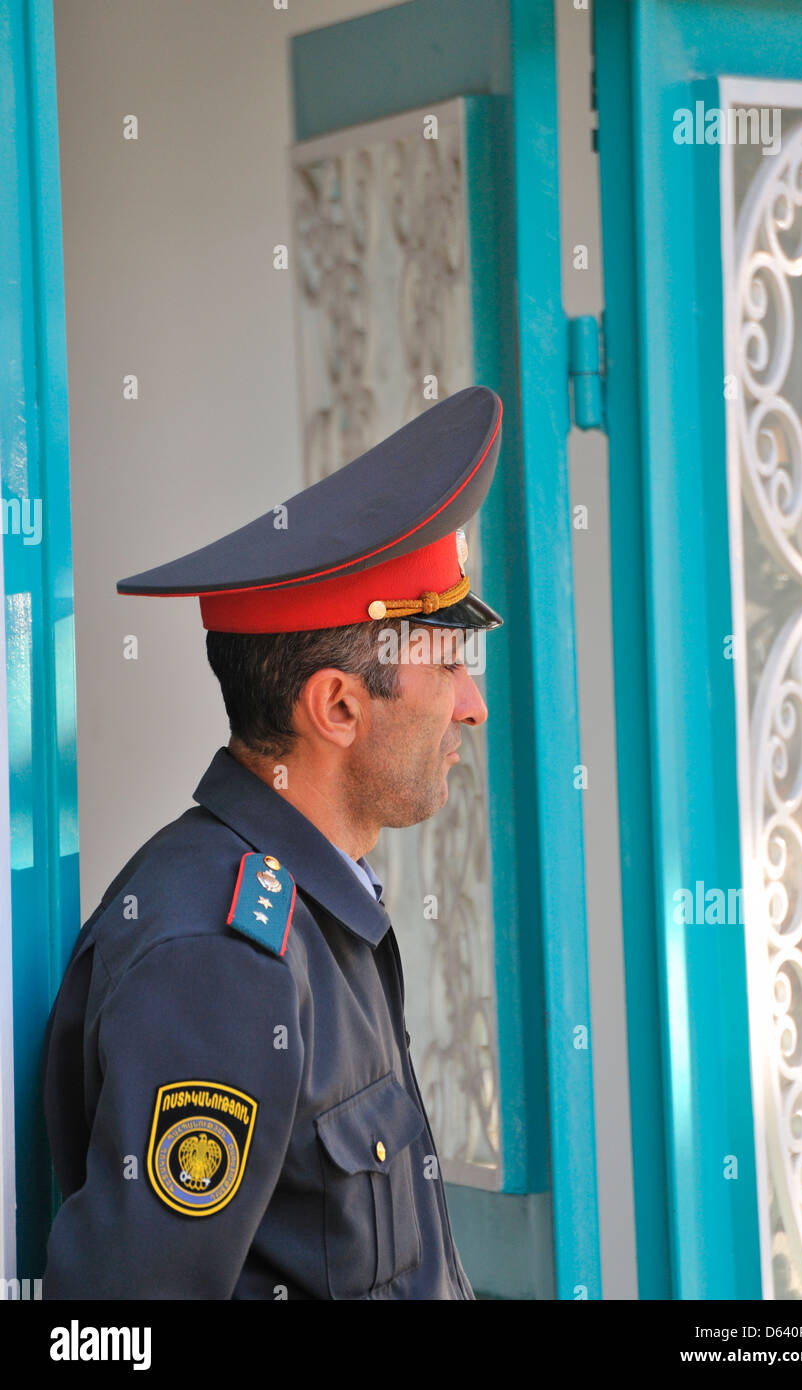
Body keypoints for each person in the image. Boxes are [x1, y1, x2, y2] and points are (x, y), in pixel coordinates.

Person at [41, 384, 504, 1300]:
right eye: (447, 665)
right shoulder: (221, 963)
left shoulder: (315, 905)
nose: (472, 703)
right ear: (337, 707)